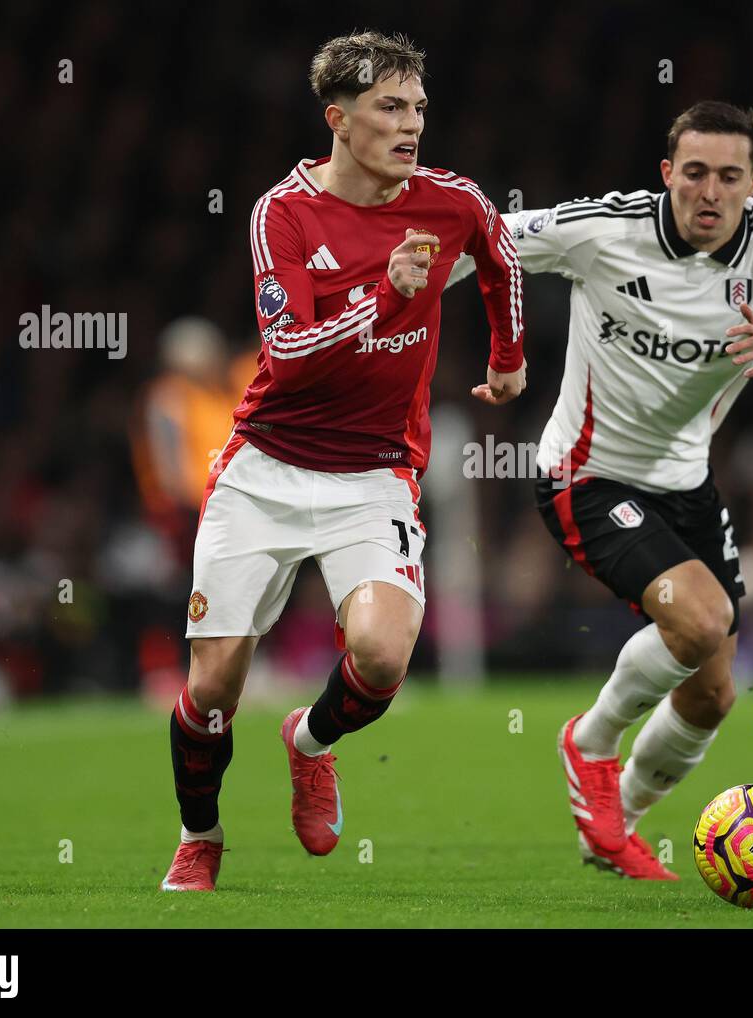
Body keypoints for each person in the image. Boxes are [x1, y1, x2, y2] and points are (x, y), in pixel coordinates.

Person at [448, 100, 753, 879]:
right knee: (703, 621)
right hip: (586, 474)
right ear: (667, 173)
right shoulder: (605, 228)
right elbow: (485, 239)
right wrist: (402, 283)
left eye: (729, 177)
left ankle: (614, 825)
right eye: (695, 172)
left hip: (687, 486)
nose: (710, 192)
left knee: (712, 697)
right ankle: (591, 741)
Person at [161, 30, 527, 892]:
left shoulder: (450, 201)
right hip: (267, 466)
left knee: (384, 655)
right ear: (339, 119)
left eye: (419, 109)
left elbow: (501, 256)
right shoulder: (282, 214)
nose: (412, 126)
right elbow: (287, 352)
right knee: (212, 689)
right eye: (390, 108)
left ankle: (309, 743)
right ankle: (201, 834)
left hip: (375, 472)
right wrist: (388, 293)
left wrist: (508, 358)